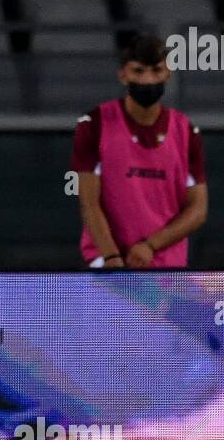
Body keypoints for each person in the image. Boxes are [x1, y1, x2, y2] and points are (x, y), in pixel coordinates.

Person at [71, 34, 207, 268]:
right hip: (109, 264)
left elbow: (198, 208)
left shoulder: (185, 130)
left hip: (168, 267)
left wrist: (150, 245)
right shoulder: (95, 124)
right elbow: (89, 202)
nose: (147, 80)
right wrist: (112, 257)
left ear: (168, 74)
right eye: (138, 71)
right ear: (123, 75)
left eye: (156, 71)